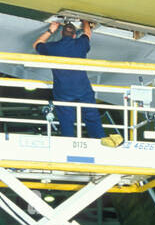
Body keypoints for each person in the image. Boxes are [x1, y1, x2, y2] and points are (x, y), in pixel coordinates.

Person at [32, 19, 123, 147]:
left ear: (61, 34)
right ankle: (100, 140)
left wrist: (50, 30)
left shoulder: (52, 47)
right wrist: (85, 21)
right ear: (75, 35)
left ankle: (69, 143)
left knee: (66, 119)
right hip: (82, 87)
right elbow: (87, 33)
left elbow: (37, 44)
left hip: (63, 89)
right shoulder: (80, 44)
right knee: (91, 116)